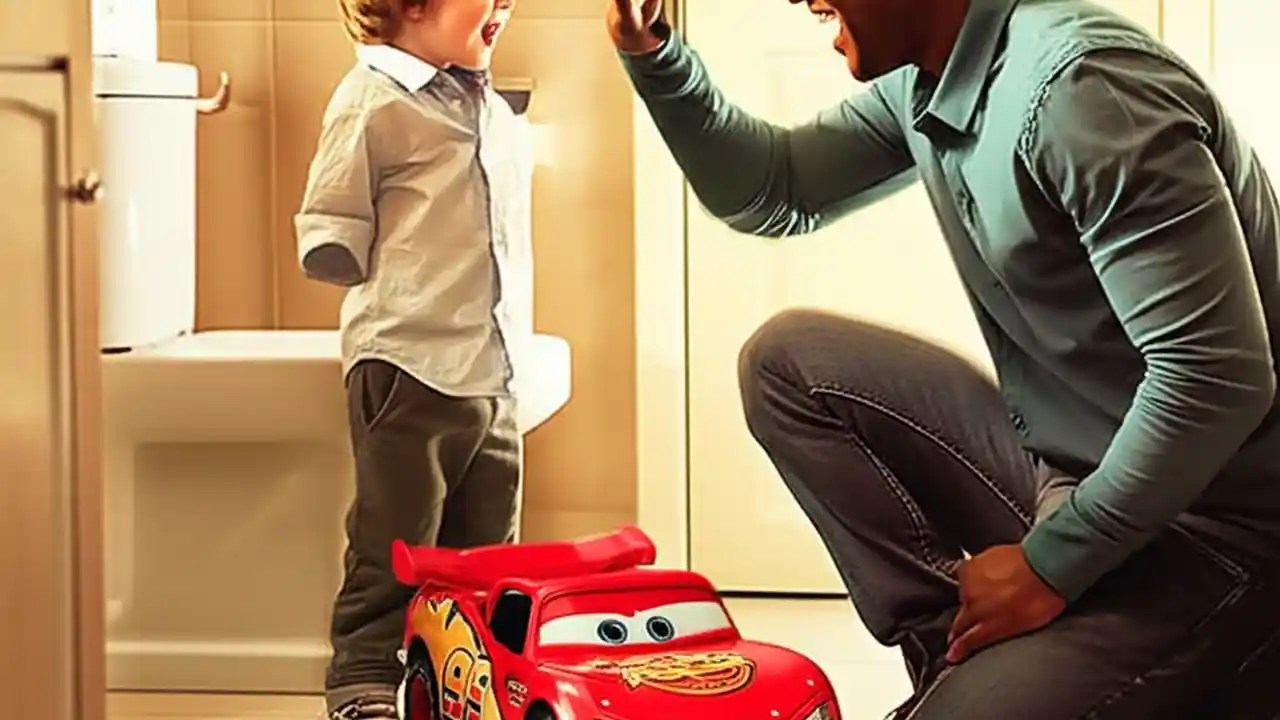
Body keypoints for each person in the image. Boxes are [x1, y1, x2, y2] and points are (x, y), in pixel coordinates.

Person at [609, 0, 1280, 716]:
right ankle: (959, 652)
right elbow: (775, 187)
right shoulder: (934, 82)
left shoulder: (1084, 91)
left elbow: (1216, 378)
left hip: (1223, 528)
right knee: (791, 366)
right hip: (1077, 471)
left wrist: (1049, 566)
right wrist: (654, 52)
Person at [294, 0, 530, 716]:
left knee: (489, 549)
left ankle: (475, 669)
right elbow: (332, 208)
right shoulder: (372, 97)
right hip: (407, 360)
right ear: (414, 5)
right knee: (395, 536)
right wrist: (333, 242)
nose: (505, 5)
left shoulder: (482, 100)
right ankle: (363, 673)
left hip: (492, 363)